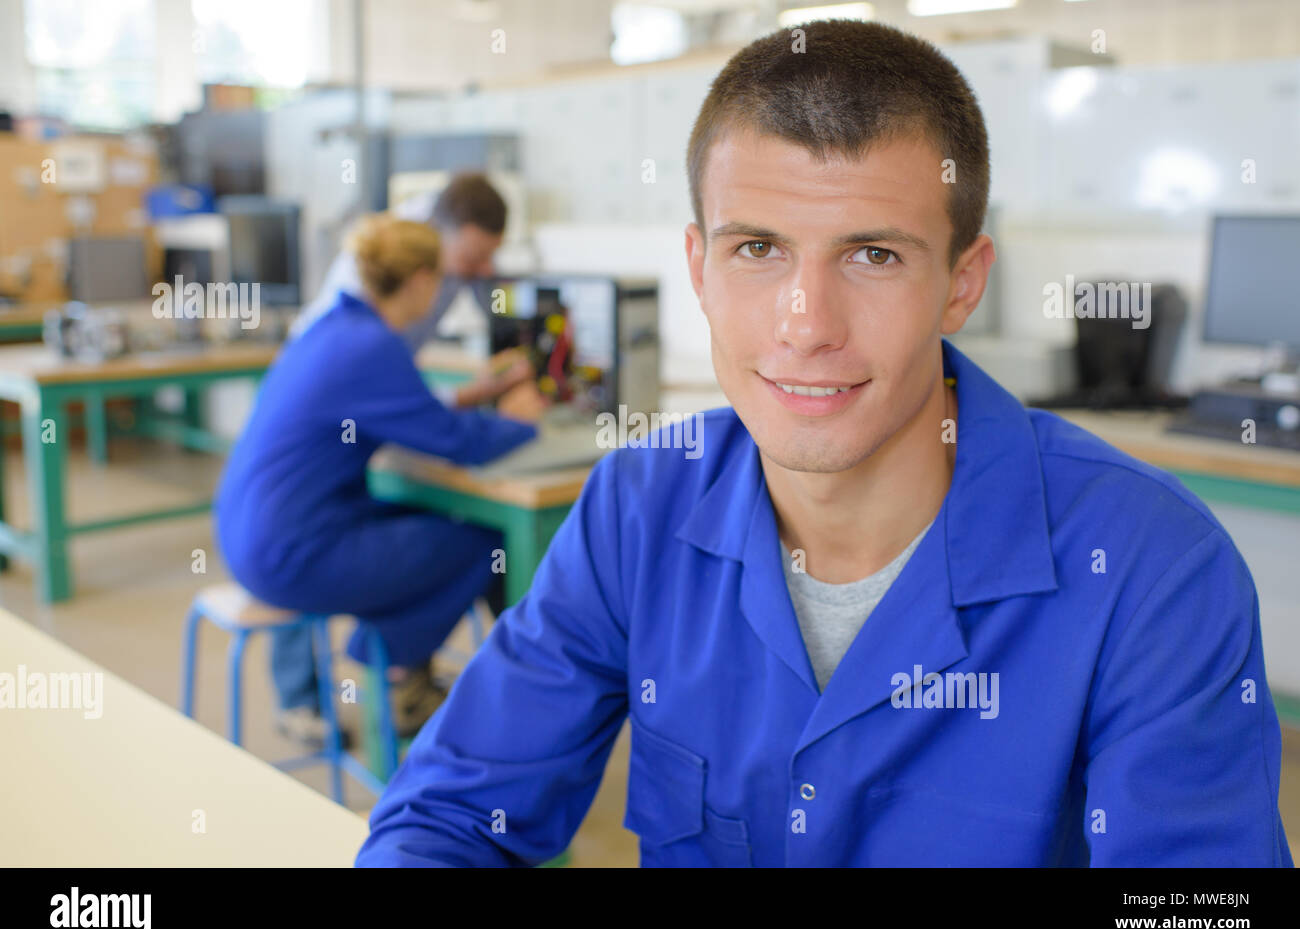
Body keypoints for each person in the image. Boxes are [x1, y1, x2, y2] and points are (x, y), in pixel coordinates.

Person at [355, 21, 1292, 866]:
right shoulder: (635, 511)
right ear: (699, 268)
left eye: (872, 254)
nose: (806, 326)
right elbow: (448, 818)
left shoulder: (1150, 568)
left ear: (962, 284)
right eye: (757, 249)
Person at [214, 214, 544, 744]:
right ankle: (401, 671)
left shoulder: (334, 327)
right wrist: (522, 424)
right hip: (290, 554)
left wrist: (467, 398)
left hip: (252, 533)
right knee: (484, 541)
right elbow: (460, 444)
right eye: (439, 279)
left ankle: (410, 670)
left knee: (435, 525)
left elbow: (400, 413)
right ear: (418, 281)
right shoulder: (373, 345)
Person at [290, 170, 508, 356]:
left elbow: (501, 314)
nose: (486, 269)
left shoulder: (467, 237)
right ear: (419, 278)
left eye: (490, 256)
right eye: (475, 257)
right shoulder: (388, 253)